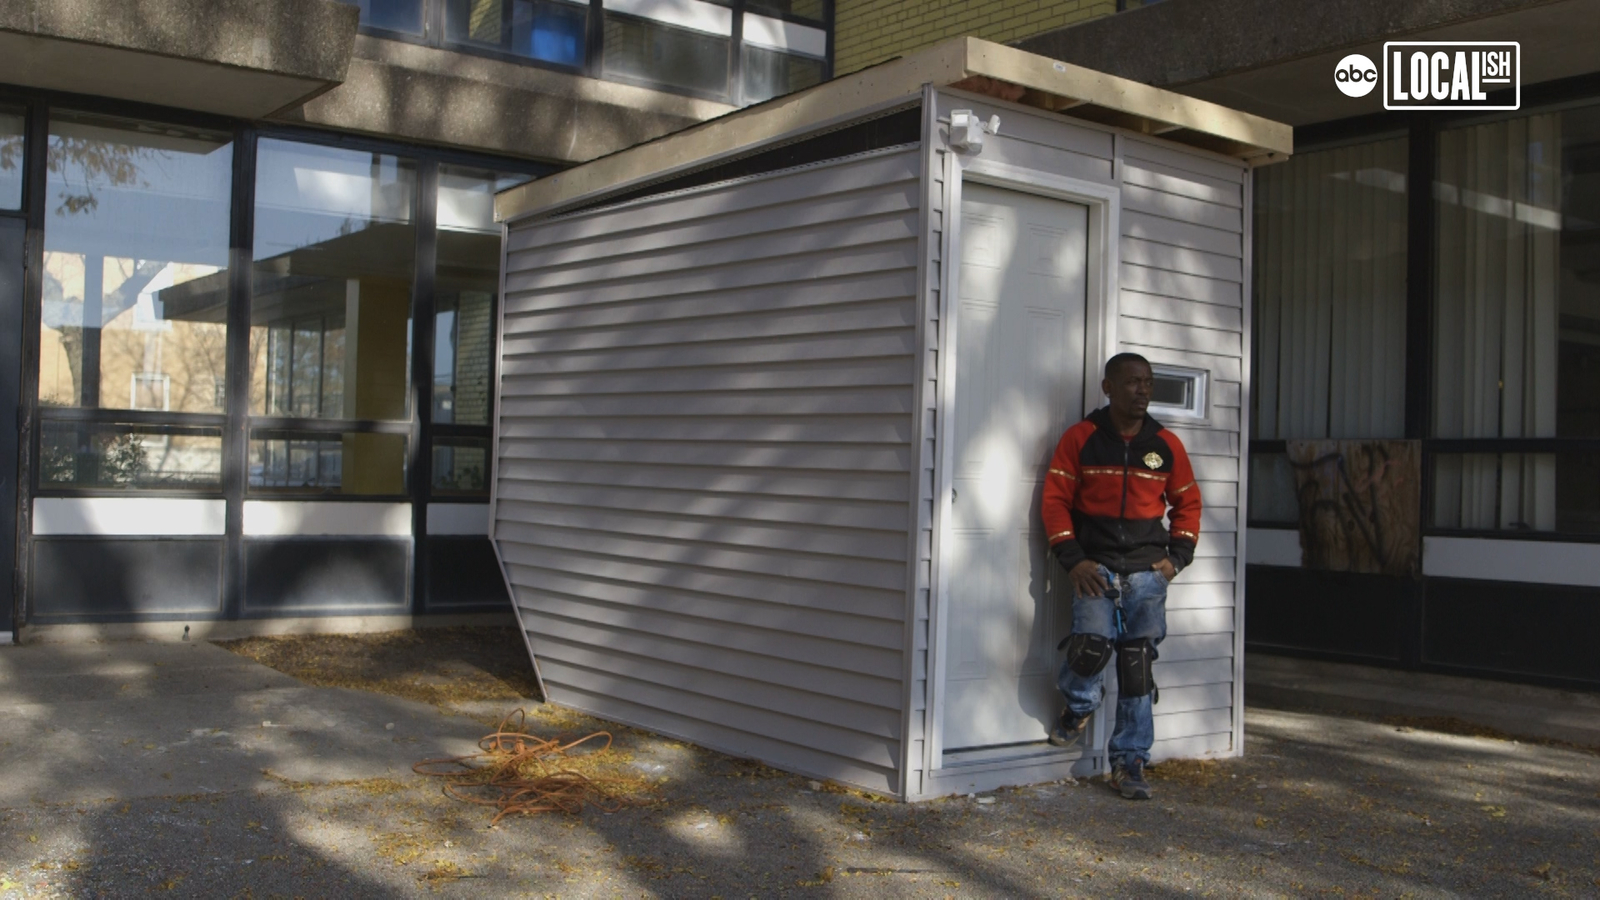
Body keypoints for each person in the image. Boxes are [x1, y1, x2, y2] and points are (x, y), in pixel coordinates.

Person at [1041, 352, 1202, 800]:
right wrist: (1073, 560)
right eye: (1133, 382)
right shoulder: (1082, 439)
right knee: (1090, 649)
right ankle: (1078, 706)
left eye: (1148, 382)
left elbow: (1188, 503)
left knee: (1137, 668)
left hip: (1148, 576)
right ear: (1108, 387)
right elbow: (1055, 501)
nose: (1143, 390)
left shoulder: (1166, 444)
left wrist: (1178, 558)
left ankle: (1129, 762)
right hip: (1095, 569)